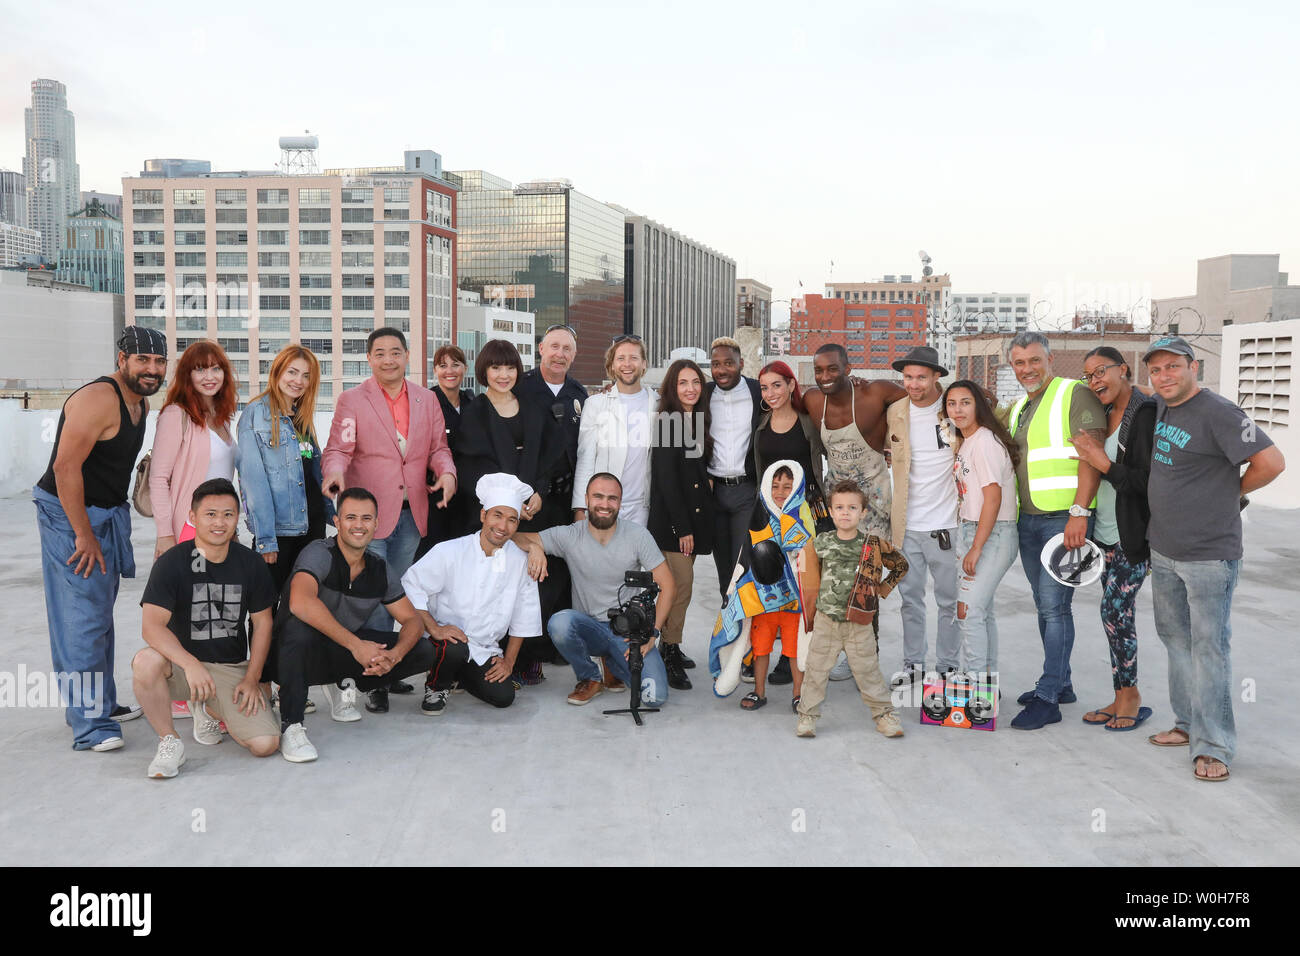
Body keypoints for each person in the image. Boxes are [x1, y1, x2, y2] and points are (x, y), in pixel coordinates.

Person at [1141, 337, 1284, 781]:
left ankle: (1214, 746)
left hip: (1208, 557)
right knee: (1176, 642)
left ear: (1194, 366)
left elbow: (1272, 462)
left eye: (1172, 367)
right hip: (1164, 548)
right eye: (1157, 370)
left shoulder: (1220, 412)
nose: (1164, 376)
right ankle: (1187, 724)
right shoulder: (1165, 407)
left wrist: (1232, 493)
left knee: (1209, 649)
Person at [33, 326, 166, 750]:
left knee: (99, 615)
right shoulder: (98, 398)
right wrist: (82, 534)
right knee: (80, 620)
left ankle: (102, 705)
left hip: (106, 514)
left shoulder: (140, 402)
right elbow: (64, 468)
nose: (151, 368)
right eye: (142, 360)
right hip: (69, 516)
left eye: (159, 361)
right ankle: (90, 726)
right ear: (121, 359)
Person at [322, 327, 456, 711]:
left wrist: (446, 473)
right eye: (379, 353)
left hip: (412, 512)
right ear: (369, 359)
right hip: (368, 517)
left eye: (395, 352)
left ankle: (388, 669)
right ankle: (371, 679)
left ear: (407, 355)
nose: (388, 359)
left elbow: (438, 448)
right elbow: (338, 449)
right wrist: (334, 475)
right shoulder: (352, 400)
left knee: (396, 595)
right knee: (370, 597)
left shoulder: (427, 399)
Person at [274, 487, 438, 762]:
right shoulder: (319, 552)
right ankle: (291, 726)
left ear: (377, 523)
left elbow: (411, 620)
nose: (358, 525)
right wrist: (357, 645)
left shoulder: (379, 568)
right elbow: (300, 603)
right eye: (350, 517)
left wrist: (394, 656)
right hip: (289, 656)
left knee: (423, 650)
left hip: (338, 650)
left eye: (366, 518)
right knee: (299, 631)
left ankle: (343, 682)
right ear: (337, 522)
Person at [131, 479, 279, 778]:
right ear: (193, 517)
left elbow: (263, 624)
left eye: (228, 514)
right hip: (181, 667)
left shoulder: (250, 563)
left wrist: (252, 678)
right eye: (210, 514)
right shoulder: (172, 562)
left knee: (265, 744)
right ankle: (169, 741)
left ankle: (209, 708)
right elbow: (151, 628)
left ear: (238, 518)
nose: (219, 522)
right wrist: (190, 663)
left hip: (230, 667)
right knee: (145, 662)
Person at [1004, 330, 1107, 731]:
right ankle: (1060, 683)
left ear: (1049, 360)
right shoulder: (1019, 408)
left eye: (1034, 360)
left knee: (1054, 607)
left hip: (1064, 519)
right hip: (1029, 519)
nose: (1027, 369)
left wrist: (1079, 512)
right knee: (1043, 605)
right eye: (1019, 362)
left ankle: (1048, 697)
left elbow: (1091, 455)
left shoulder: (1073, 394)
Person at [517, 473, 676, 707]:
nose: (605, 504)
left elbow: (668, 585)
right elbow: (512, 536)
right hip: (588, 628)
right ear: (587, 499)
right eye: (598, 496)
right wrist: (534, 548)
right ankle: (590, 677)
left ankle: (611, 663)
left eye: (612, 498)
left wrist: (652, 633)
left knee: (655, 698)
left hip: (628, 629)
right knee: (559, 623)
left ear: (620, 502)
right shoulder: (570, 534)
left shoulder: (637, 535)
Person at [801, 343, 906, 680]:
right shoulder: (814, 400)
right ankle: (840, 651)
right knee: (837, 580)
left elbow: (918, 396)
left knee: (866, 582)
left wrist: (896, 440)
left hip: (874, 507)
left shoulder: (876, 393)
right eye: (819, 370)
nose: (825, 376)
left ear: (848, 368)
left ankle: (867, 650)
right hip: (838, 508)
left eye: (833, 368)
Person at [148, 339, 240, 721]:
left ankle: (208, 685)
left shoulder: (221, 416)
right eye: (199, 368)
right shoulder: (176, 414)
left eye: (215, 368)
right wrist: (166, 534)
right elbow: (159, 478)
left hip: (220, 528)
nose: (208, 375)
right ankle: (183, 695)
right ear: (187, 375)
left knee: (216, 612)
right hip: (187, 529)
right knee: (187, 616)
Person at [402, 474, 544, 715]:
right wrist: (435, 628)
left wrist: (508, 662)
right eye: (497, 515)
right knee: (452, 648)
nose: (503, 526)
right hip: (444, 641)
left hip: (484, 648)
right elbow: (410, 585)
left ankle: (459, 674)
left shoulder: (520, 561)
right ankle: (437, 685)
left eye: (512, 520)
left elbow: (525, 614)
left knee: (503, 697)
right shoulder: (450, 551)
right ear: (483, 515)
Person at [1069, 347, 1156, 731]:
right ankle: (1120, 693)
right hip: (1104, 532)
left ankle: (1132, 694)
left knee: (1113, 611)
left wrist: (1100, 461)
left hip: (1133, 534)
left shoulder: (1147, 413)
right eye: (1088, 376)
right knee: (1117, 619)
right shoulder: (1103, 415)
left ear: (1124, 369)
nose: (1094, 381)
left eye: (1101, 371)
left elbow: (1148, 483)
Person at [795, 480, 907, 739]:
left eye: (852, 508)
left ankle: (884, 716)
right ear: (831, 512)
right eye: (840, 507)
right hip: (826, 621)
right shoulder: (820, 543)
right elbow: (806, 570)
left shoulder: (873, 544)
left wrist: (882, 589)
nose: (845, 512)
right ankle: (807, 717)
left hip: (859, 623)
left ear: (863, 513)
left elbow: (900, 565)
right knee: (815, 671)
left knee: (868, 672)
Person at [885, 346, 960, 686]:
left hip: (946, 526)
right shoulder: (896, 412)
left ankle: (948, 667)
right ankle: (913, 666)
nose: (913, 384)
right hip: (907, 526)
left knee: (950, 603)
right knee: (910, 602)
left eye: (921, 377)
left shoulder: (954, 411)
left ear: (936, 377)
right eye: (908, 377)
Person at [513, 323, 587, 664]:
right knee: (530, 574)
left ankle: (553, 643)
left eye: (567, 349)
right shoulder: (521, 388)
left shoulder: (578, 393)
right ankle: (524, 648)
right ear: (541, 348)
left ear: (574, 355)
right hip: (530, 499)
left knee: (563, 571)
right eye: (554, 346)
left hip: (568, 498)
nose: (560, 354)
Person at [751, 360, 827, 688]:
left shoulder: (809, 423)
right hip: (770, 517)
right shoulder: (761, 424)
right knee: (773, 585)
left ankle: (794, 656)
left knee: (802, 589)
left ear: (791, 385)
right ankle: (767, 652)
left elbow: (831, 453)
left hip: (805, 517)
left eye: (777, 385)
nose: (771, 393)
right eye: (765, 387)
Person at [236, 344, 331, 598]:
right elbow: (253, 482)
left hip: (312, 529)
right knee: (265, 607)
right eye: (292, 372)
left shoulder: (302, 417)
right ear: (277, 372)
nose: (298, 381)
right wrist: (266, 538)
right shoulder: (255, 414)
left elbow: (314, 475)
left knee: (304, 605)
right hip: (279, 533)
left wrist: (335, 514)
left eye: (306, 375)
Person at [944, 380, 1020, 684]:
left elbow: (993, 497)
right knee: (982, 611)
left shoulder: (986, 441)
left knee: (971, 612)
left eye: (965, 402)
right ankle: (987, 681)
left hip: (993, 535)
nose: (957, 409)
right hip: (972, 529)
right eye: (951, 403)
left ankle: (975, 684)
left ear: (978, 405)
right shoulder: (968, 441)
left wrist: (977, 546)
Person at [647, 358, 714, 691]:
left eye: (696, 382)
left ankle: (671, 644)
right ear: (672, 388)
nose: (690, 389)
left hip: (693, 521)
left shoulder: (695, 419)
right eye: (683, 383)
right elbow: (667, 480)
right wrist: (682, 528)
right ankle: (668, 650)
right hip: (674, 525)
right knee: (679, 589)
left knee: (681, 589)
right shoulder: (669, 421)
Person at [454, 339, 551, 534]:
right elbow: (474, 468)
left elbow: (547, 454)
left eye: (510, 368)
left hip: (533, 511)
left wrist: (540, 491)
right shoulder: (474, 413)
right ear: (484, 371)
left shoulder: (532, 407)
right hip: (492, 516)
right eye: (496, 368)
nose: (504, 375)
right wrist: (511, 501)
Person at [573, 335, 657, 528]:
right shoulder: (595, 404)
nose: (627, 364)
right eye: (620, 358)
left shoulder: (658, 404)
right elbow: (585, 459)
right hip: (602, 507)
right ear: (611, 365)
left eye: (634, 358)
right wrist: (580, 508)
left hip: (643, 509)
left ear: (644, 364)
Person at [741, 465, 805, 712]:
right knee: (761, 647)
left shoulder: (803, 515)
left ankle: (798, 694)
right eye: (775, 486)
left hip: (793, 601)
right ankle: (759, 691)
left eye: (787, 486)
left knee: (794, 649)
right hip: (766, 600)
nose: (780, 492)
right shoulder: (758, 517)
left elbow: (809, 555)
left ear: (796, 488)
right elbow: (748, 556)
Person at [703, 337, 764, 600]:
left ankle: (748, 626)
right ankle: (729, 621)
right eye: (716, 364)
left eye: (728, 363)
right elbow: (672, 410)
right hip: (713, 492)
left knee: (744, 562)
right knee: (723, 566)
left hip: (746, 491)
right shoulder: (703, 394)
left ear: (741, 363)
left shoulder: (757, 392)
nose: (722, 369)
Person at [416, 345, 476, 559]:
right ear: (435, 371)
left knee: (464, 555)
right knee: (435, 554)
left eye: (455, 365)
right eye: (443, 366)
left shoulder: (472, 402)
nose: (449, 371)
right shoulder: (425, 402)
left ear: (465, 368)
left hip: (468, 495)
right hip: (436, 495)